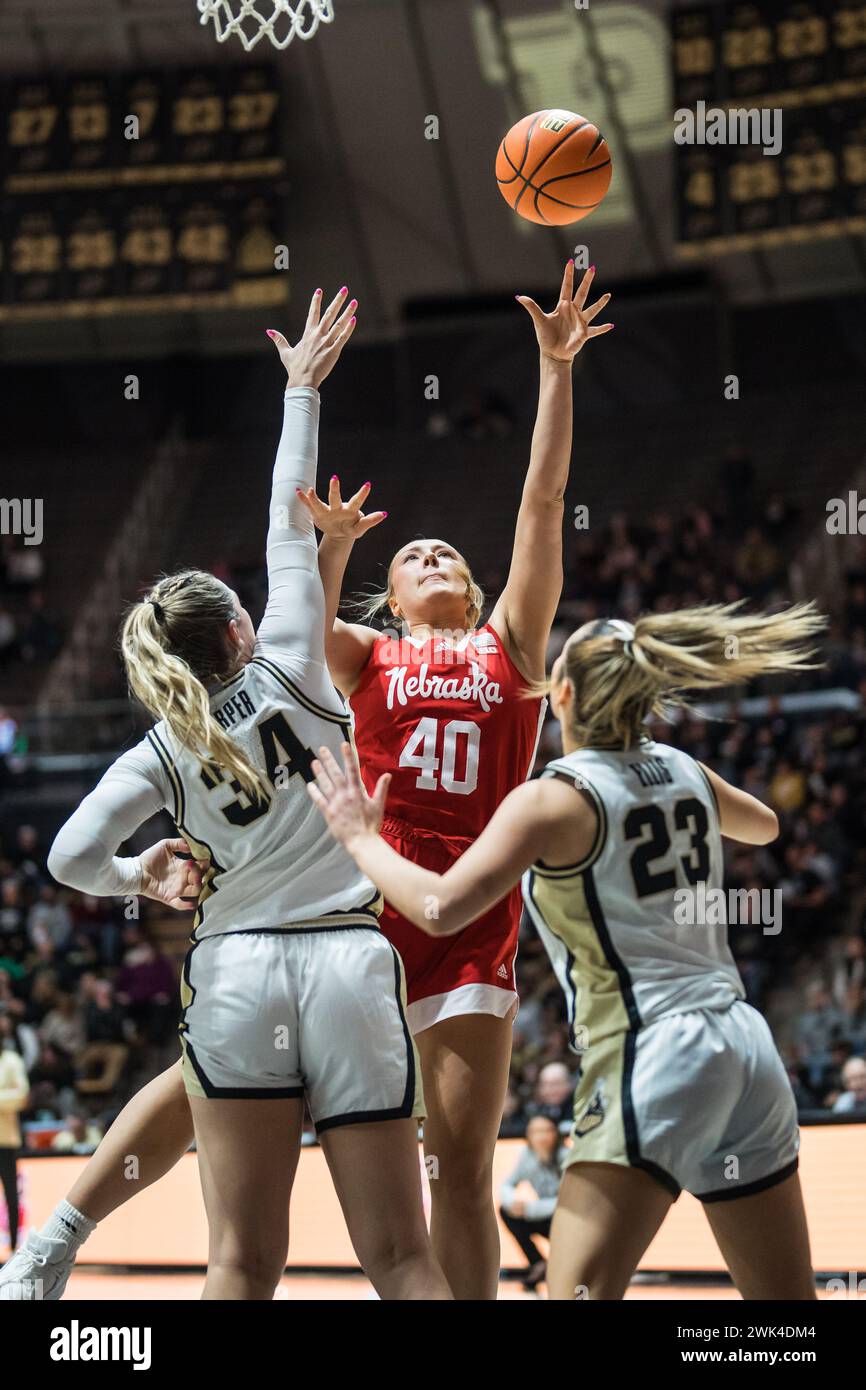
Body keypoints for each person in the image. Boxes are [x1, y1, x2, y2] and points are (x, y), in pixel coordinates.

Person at [0, 260, 613, 1304]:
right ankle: (60, 1230)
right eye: (409, 548)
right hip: (362, 914)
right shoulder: (357, 654)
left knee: (453, 1177)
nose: (425, 549)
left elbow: (542, 502)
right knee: (230, 1117)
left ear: (468, 588)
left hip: (457, 925)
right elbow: (282, 618)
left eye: (442, 552)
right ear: (385, 592)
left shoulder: (509, 645)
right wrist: (328, 543)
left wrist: (555, 371)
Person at [308, 599, 825, 1300]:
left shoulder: (551, 798)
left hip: (653, 1052)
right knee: (787, 1319)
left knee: (574, 1293)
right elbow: (763, 826)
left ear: (565, 695)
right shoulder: (685, 769)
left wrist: (360, 839)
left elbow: (437, 908)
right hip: (745, 1048)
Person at [499, 1115, 567, 1289]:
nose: (542, 1136)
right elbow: (507, 1184)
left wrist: (530, 1209)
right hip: (546, 1217)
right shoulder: (527, 1156)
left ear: (556, 1134)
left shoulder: (566, 1156)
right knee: (506, 1211)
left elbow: (568, 1201)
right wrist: (513, 1202)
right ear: (528, 1136)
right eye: (536, 1132)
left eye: (546, 1130)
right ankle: (537, 1262)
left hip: (568, 1220)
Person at [0, 1018, 28, 1254]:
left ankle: (13, 1246)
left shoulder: (12, 1061)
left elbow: (21, 1095)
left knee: (10, 1192)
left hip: (6, 1139)